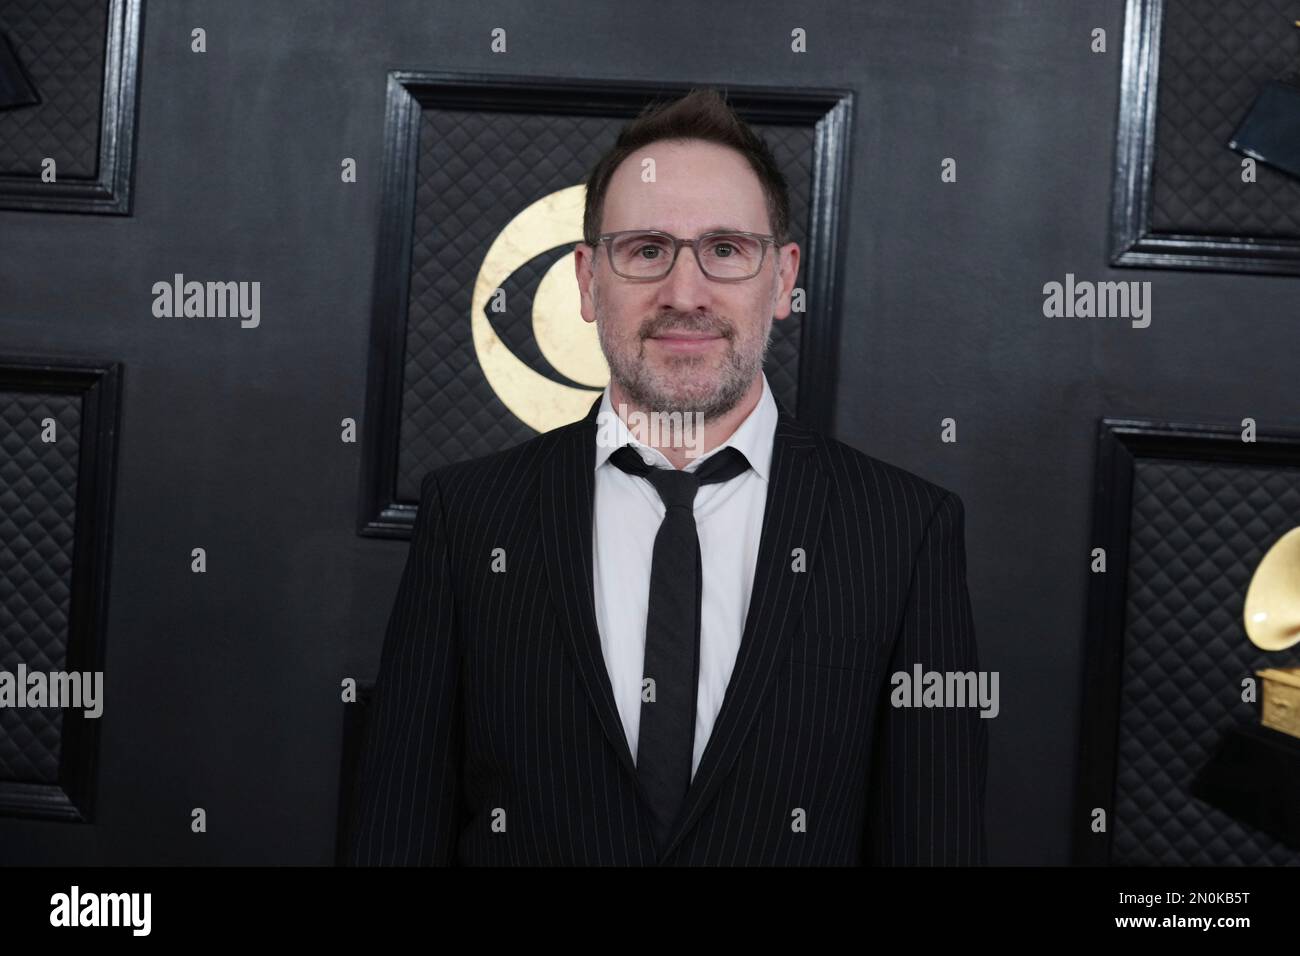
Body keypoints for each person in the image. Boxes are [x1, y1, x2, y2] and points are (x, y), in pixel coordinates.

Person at [347, 87, 988, 865]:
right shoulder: (472, 516)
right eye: (647, 250)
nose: (685, 295)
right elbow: (398, 828)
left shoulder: (904, 531)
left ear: (783, 278)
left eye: (726, 250)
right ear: (588, 280)